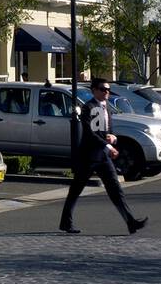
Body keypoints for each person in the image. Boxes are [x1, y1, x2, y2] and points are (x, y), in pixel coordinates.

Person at [60, 78, 148, 235]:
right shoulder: (88, 107)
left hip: (103, 157)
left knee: (115, 189)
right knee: (76, 190)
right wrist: (107, 146)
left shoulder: (106, 107)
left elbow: (107, 130)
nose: (106, 92)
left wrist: (112, 138)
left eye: (108, 89)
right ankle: (66, 223)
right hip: (88, 156)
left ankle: (131, 222)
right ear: (94, 90)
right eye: (102, 89)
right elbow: (89, 133)